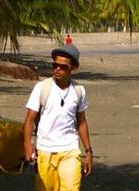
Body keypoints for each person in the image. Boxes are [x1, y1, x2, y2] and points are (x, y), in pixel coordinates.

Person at [24, 44, 92, 191]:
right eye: (55, 65)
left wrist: (88, 152)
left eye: (63, 66)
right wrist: (27, 144)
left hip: (70, 150)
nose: (58, 69)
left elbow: (81, 121)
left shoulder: (79, 91)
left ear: (73, 68)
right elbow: (30, 118)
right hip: (45, 150)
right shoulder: (42, 88)